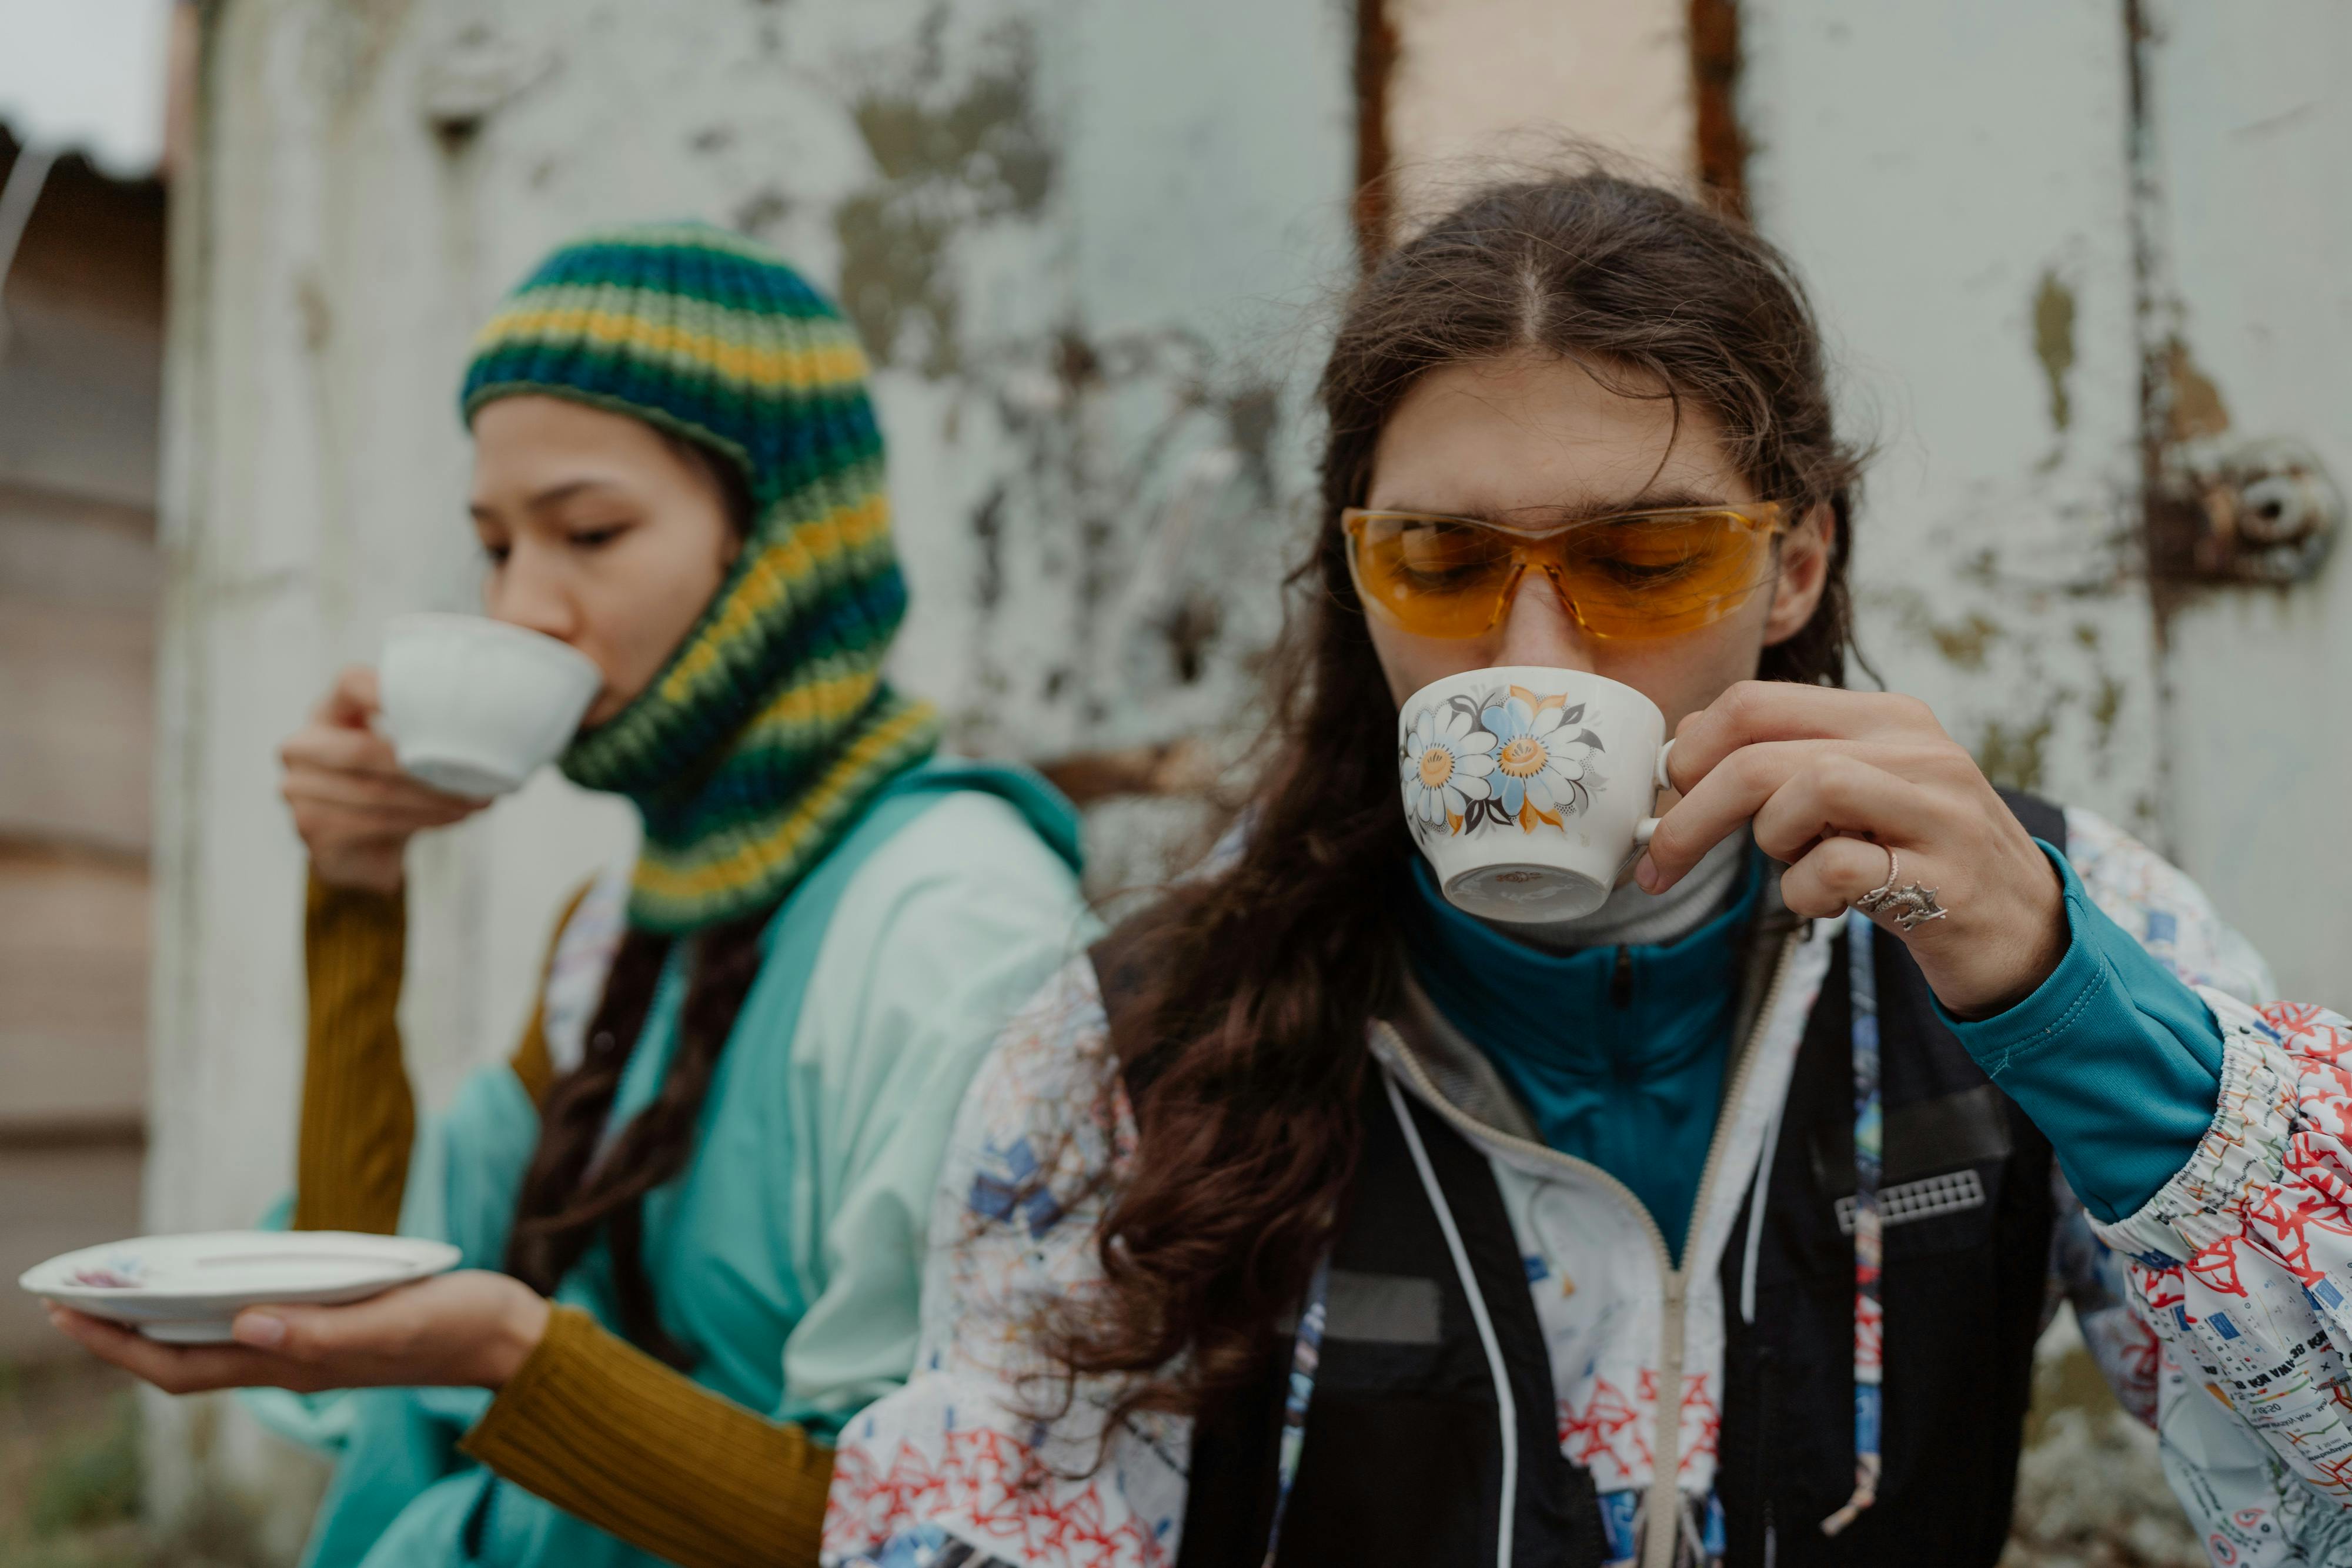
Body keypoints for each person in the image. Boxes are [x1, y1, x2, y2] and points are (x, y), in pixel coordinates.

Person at [820, 172, 2352, 1568]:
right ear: (1356, 570)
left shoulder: (2051, 919)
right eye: (1442, 558)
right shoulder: (1137, 1041)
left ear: (1796, 565)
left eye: (1646, 557)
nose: (1530, 651)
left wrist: (2066, 1005)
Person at [45, 224, 1094, 1568]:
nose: (521, 607)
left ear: (780, 542)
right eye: (494, 545)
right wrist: (355, 890)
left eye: (589, 531)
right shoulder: (622, 927)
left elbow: (938, 1536)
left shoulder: (954, 929)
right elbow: (357, 1274)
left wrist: (516, 1359)